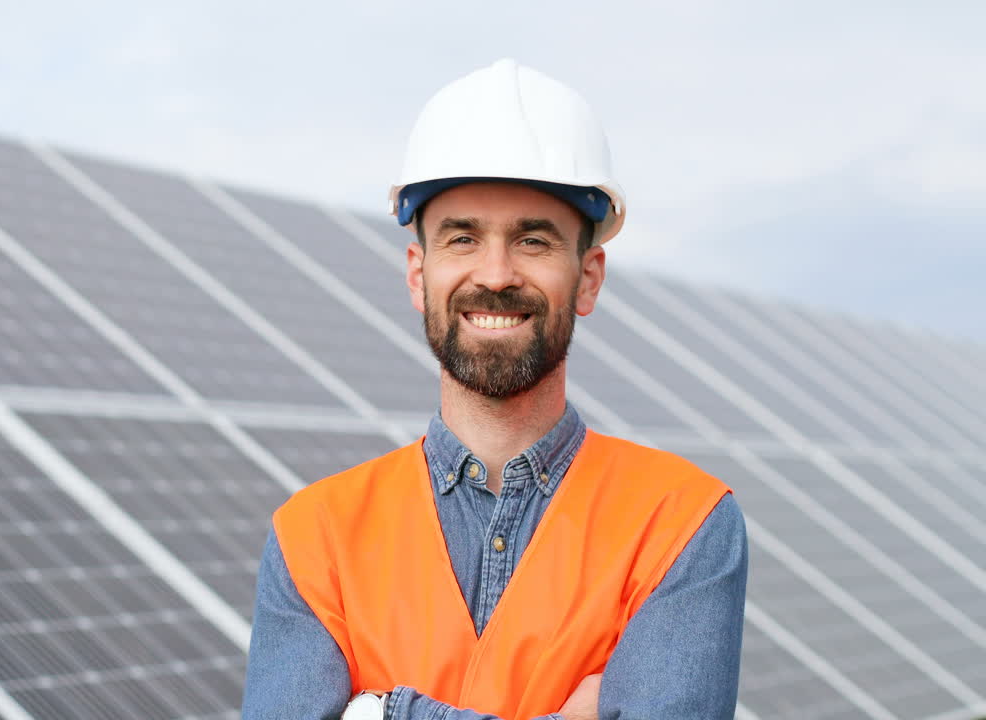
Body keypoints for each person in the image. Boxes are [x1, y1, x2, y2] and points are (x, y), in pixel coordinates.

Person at [241, 59, 748, 720]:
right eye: (463, 238)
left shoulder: (684, 525)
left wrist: (381, 712)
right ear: (419, 274)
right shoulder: (314, 538)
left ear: (588, 278)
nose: (496, 273)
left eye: (533, 240)